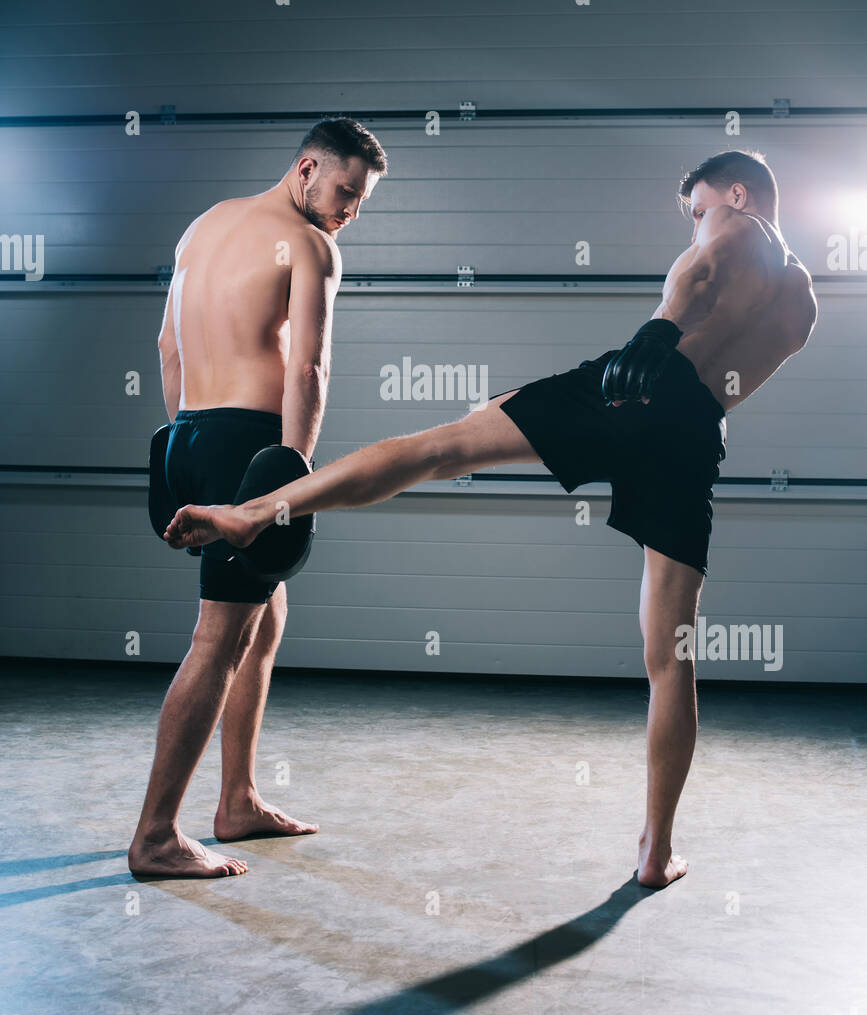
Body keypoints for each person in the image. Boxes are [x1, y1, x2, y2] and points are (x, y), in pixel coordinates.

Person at [164, 149, 818, 888]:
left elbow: (700, 269)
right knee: (672, 657)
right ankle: (655, 852)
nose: (700, 220)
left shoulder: (740, 226)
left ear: (735, 191)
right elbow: (728, 379)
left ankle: (256, 512)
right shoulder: (803, 303)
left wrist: (657, 329)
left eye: (699, 207)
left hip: (633, 385)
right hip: (692, 433)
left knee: (436, 448)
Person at [128, 117, 388, 878]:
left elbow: (167, 345)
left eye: (361, 201)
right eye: (344, 191)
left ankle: (237, 800)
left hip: (186, 434)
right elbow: (308, 369)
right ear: (307, 168)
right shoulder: (310, 246)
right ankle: (155, 836)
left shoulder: (205, 225)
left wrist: (188, 442)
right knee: (220, 638)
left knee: (263, 618)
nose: (349, 212)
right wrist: (291, 474)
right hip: (250, 446)